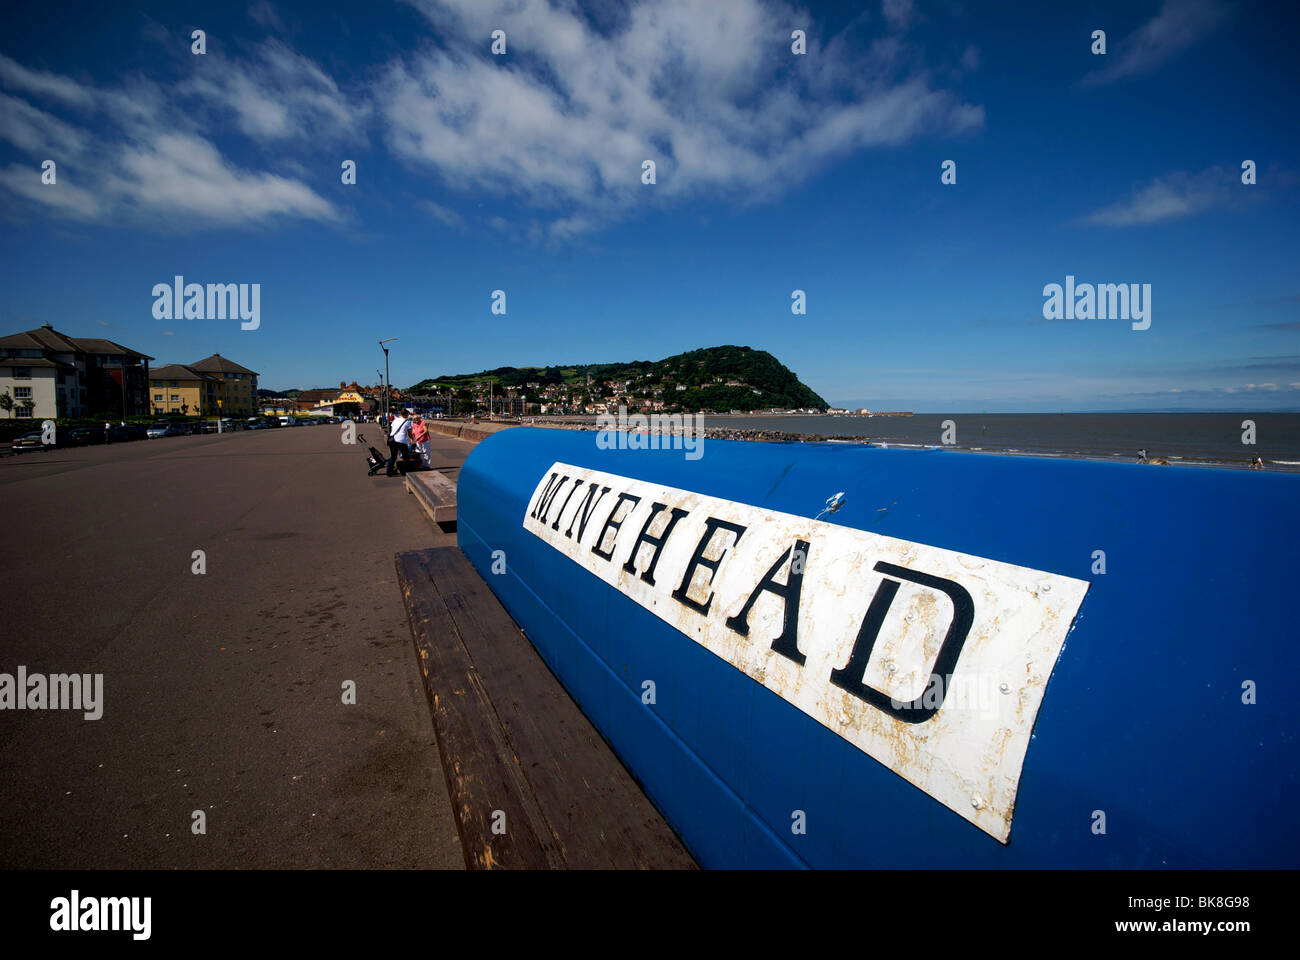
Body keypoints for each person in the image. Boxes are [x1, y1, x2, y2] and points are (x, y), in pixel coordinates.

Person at [386, 407, 413, 476]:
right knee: (405, 457)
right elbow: (410, 433)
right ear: (407, 415)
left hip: (392, 440)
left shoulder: (395, 420)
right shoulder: (407, 422)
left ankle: (389, 472)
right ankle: (403, 472)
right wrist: (412, 439)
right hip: (401, 440)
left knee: (393, 456)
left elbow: (392, 430)